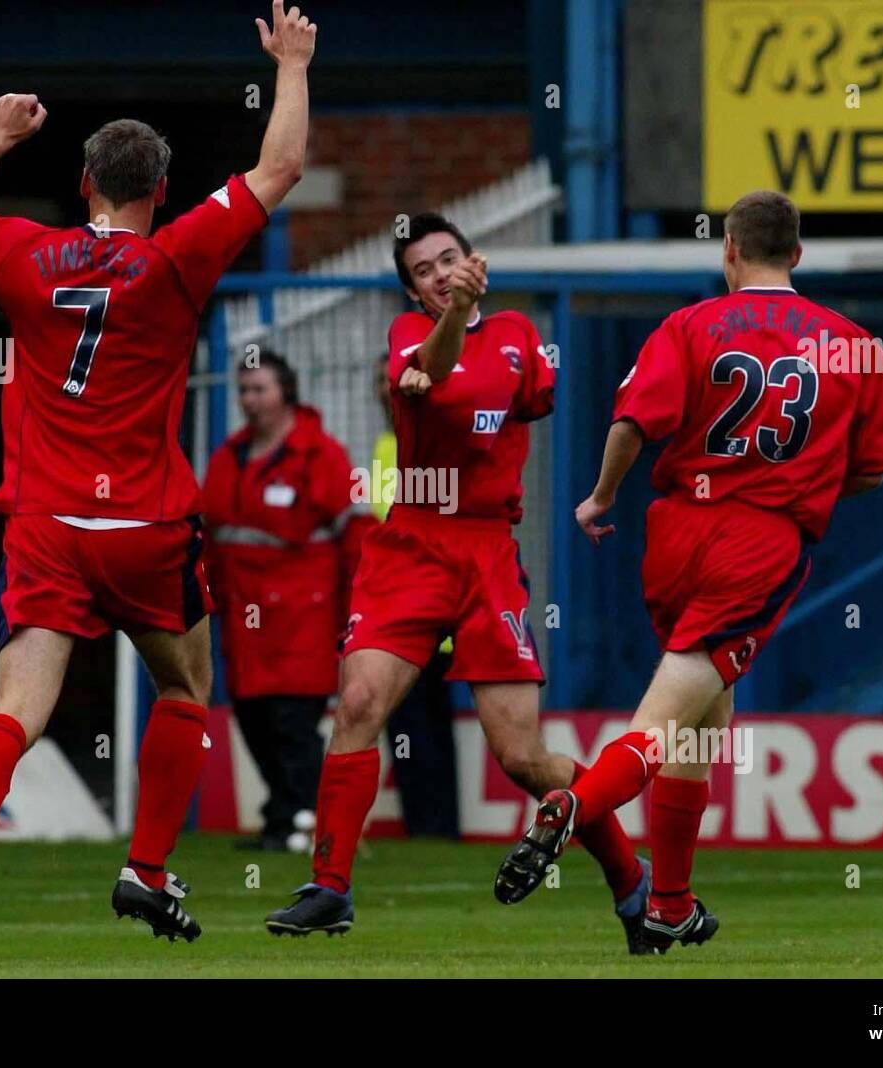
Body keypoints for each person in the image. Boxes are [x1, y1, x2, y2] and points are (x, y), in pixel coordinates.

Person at [0, 0, 316, 956]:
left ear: (85, 181)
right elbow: (282, 168)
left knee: (16, 704)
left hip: (46, 523)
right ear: (162, 189)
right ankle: (143, 869)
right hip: (145, 525)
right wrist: (291, 64)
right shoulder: (176, 257)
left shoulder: (21, 254)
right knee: (186, 689)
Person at [495, 190, 883, 953]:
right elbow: (875, 471)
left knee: (703, 719)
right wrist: (803, 481)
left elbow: (632, 423)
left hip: (676, 532)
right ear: (798, 254)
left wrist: (601, 496)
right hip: (758, 544)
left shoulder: (689, 325)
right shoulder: (851, 345)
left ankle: (671, 903)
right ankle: (572, 807)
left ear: (729, 248)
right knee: (662, 723)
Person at [265, 213, 651, 947]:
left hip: (485, 553)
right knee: (357, 702)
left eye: (449, 260)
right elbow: (432, 370)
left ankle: (634, 888)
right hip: (410, 543)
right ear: (413, 293)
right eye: (424, 271)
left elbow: (534, 400)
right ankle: (330, 887)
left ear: (472, 260)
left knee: (522, 757)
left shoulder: (517, 337)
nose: (440, 274)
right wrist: (457, 321)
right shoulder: (409, 340)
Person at [201, 350, 373, 852]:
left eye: (261, 389)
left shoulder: (319, 454)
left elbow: (352, 539)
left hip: (304, 615)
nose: (250, 400)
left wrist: (354, 613)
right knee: (252, 718)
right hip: (244, 615)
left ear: (286, 393)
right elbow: (212, 535)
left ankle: (305, 818)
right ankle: (284, 815)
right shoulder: (229, 455)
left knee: (293, 722)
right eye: (245, 390)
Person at [372, 353, 460, 839]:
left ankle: (434, 824)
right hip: (415, 606)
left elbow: (390, 513)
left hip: (422, 611)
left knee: (417, 725)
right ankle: (431, 824)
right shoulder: (393, 445)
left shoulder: (404, 445)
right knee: (420, 726)